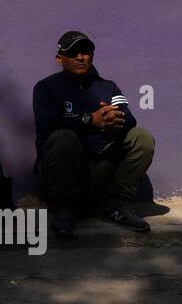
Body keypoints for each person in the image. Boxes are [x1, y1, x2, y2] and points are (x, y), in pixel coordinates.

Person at [33, 30, 156, 236]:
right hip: (64, 176)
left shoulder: (108, 87)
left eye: (85, 52)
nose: (80, 57)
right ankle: (64, 209)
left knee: (141, 137)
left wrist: (110, 120)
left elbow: (128, 118)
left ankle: (115, 205)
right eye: (72, 53)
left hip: (101, 173)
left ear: (92, 56)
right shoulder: (46, 88)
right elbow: (49, 124)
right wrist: (91, 119)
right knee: (63, 136)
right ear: (59, 58)